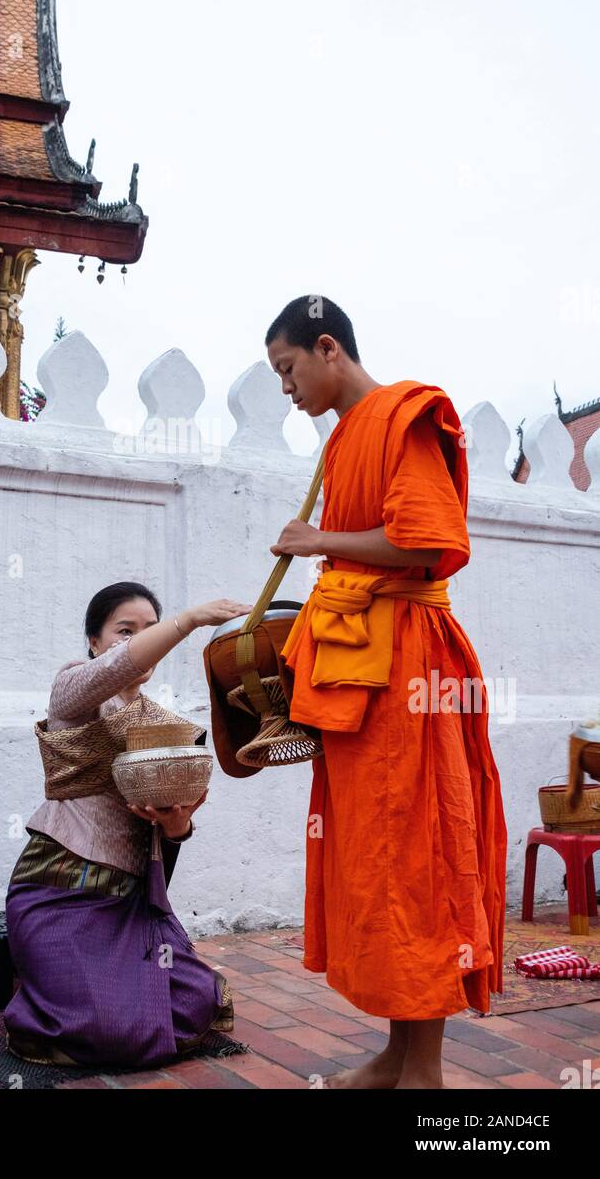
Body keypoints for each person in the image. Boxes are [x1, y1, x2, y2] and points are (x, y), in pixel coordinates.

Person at [266, 296, 507, 1090]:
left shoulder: (407, 413)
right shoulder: (342, 441)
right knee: (376, 862)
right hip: (359, 668)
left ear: (327, 347)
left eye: (289, 369)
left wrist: (316, 542)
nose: (287, 389)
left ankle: (425, 1073)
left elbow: (428, 541)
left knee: (420, 861)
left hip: (410, 670)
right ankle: (399, 1055)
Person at [4, 581, 250, 1068]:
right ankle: (49, 1015)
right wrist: (187, 620)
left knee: (197, 998)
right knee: (111, 1029)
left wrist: (177, 824)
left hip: (128, 903)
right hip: (59, 896)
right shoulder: (72, 691)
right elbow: (122, 666)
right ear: (94, 642)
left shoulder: (162, 724)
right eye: (124, 630)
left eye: (149, 629)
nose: (137, 640)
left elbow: (167, 832)